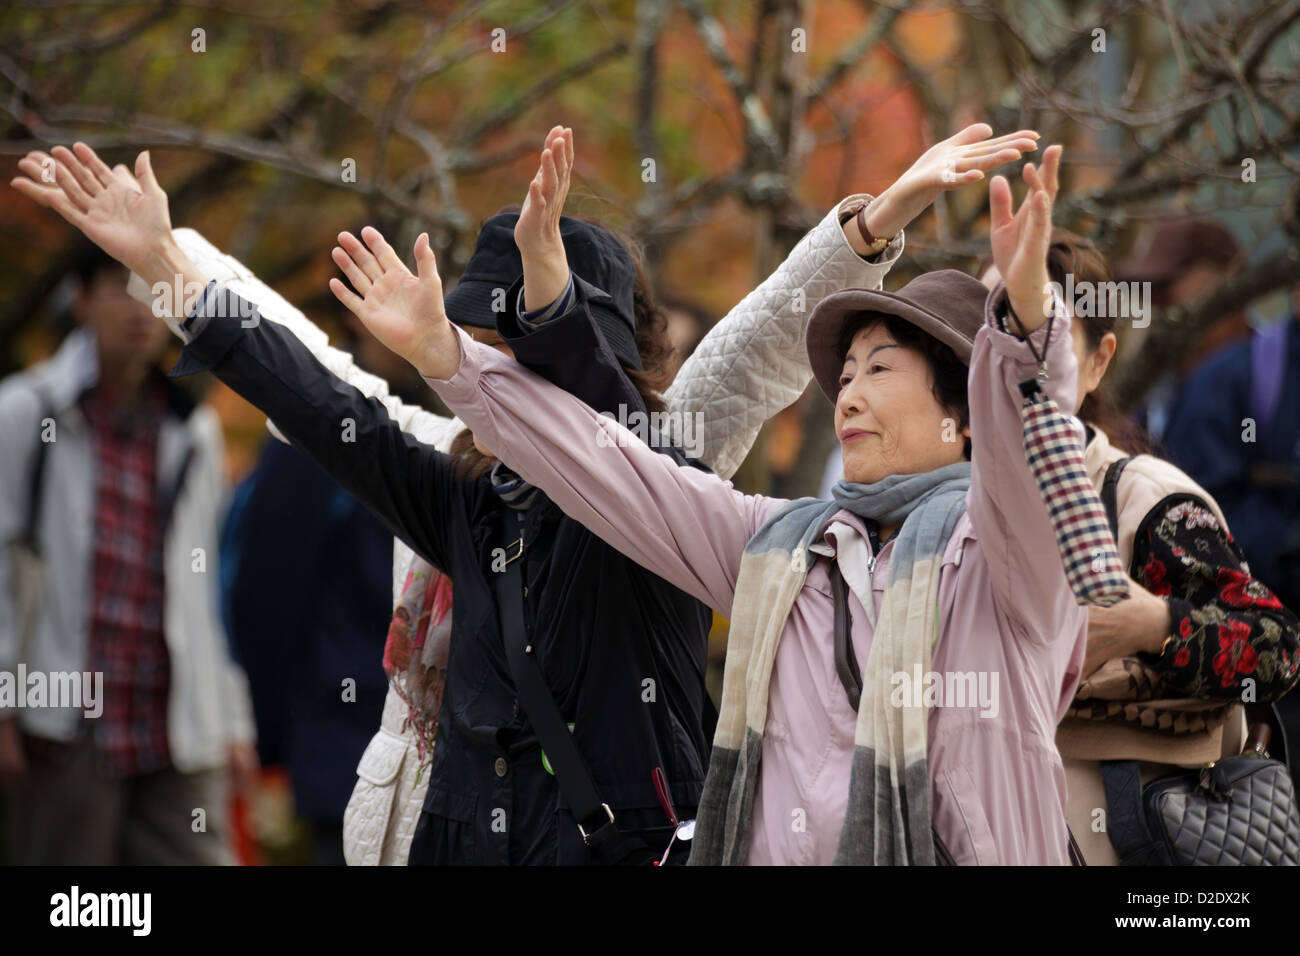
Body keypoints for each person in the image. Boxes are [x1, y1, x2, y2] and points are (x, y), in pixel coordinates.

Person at [12, 123, 1042, 864]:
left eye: (519, 339)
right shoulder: (452, 478)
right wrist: (165, 261)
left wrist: (869, 225)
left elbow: (749, 346)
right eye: (480, 340)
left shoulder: (669, 463)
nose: (484, 365)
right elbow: (313, 378)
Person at [330, 143, 1099, 864]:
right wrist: (446, 358)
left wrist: (1027, 326)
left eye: (881, 368)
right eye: (848, 373)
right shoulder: (784, 549)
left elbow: (1035, 470)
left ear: (963, 414)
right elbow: (605, 467)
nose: (850, 394)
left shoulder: (1007, 565)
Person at [980, 232, 1300, 865]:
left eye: (1041, 337)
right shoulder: (937, 506)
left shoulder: (1143, 501)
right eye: (992, 332)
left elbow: (1277, 648)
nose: (1013, 360)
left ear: (1097, 361)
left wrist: (1153, 624)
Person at [0, 247, 257, 865]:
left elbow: (210, 590)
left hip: (175, 717)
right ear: (80, 300)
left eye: (154, 289)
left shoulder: (192, 427)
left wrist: (232, 720)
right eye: (120, 286)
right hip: (65, 722)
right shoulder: (26, 411)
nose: (141, 307)